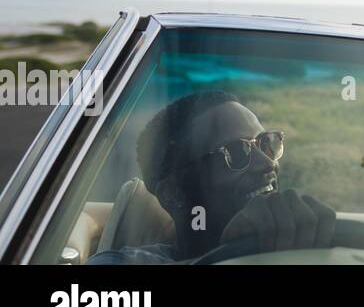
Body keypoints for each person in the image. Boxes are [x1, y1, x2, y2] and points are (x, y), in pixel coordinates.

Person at [87, 90, 335, 264]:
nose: (268, 162)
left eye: (266, 143)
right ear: (174, 192)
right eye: (237, 151)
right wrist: (226, 255)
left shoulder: (316, 244)